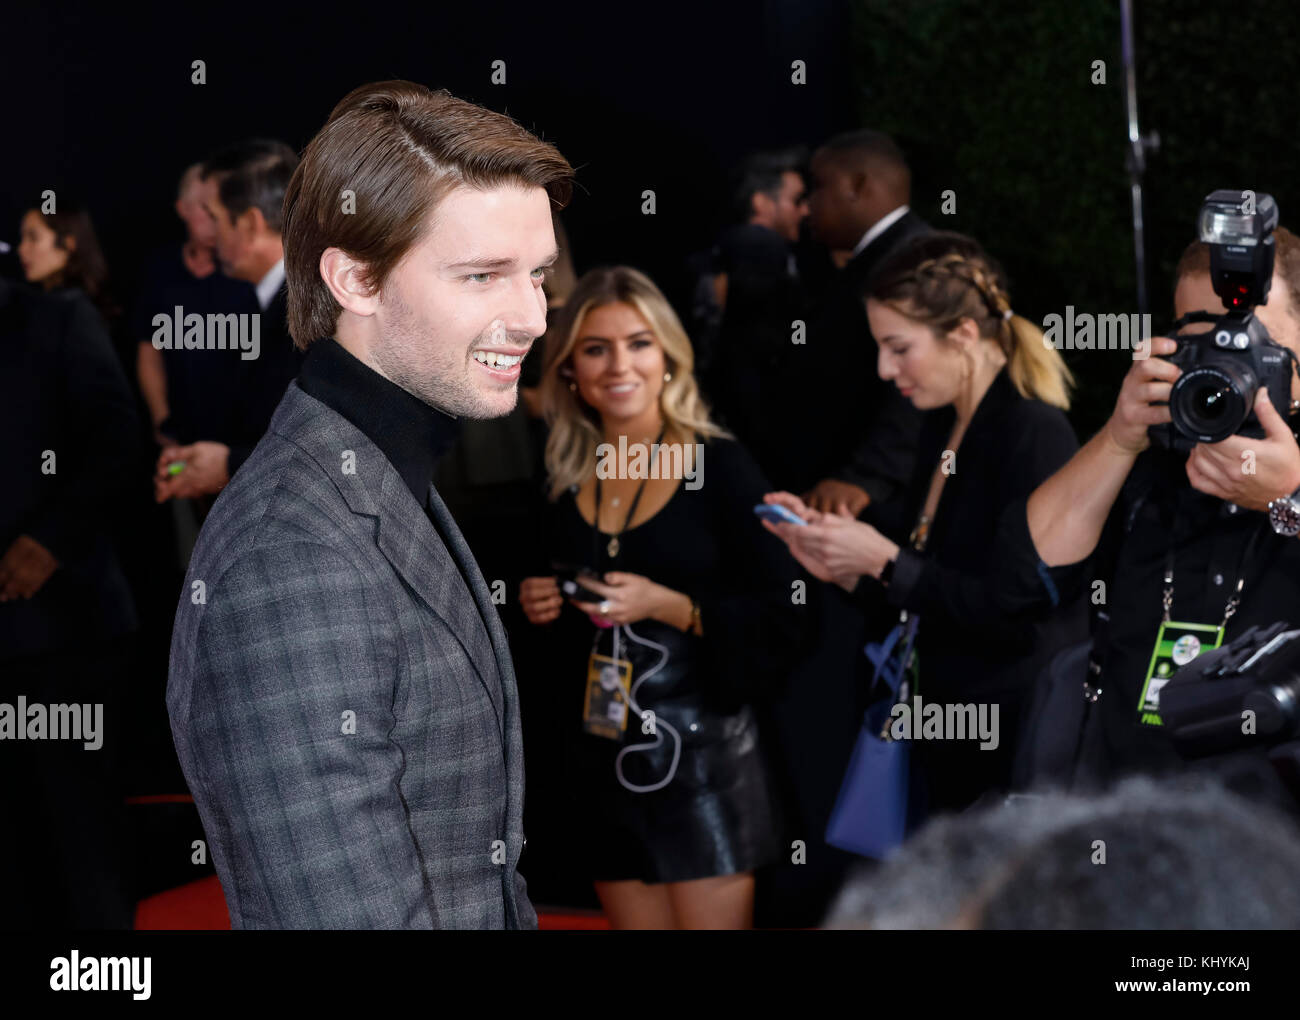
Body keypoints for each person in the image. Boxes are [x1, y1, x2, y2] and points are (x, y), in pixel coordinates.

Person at [165, 79, 574, 929]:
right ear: (355, 279)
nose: (533, 316)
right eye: (482, 276)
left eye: (535, 274)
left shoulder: (379, 474)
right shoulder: (293, 556)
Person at [518, 266, 805, 929]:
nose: (620, 364)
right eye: (596, 348)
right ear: (569, 370)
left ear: (670, 357)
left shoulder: (720, 465)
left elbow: (787, 612)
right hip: (602, 762)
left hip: (705, 760)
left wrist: (671, 605)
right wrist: (542, 599)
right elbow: (565, 625)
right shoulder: (563, 475)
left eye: (639, 343)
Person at [764, 232, 1086, 814]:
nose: (886, 371)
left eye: (899, 347)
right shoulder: (940, 424)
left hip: (1008, 744)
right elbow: (932, 590)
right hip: (944, 732)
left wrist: (881, 560)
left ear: (963, 335)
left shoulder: (1033, 433)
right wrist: (842, 563)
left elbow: (1012, 614)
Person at [1023, 226, 1300, 788]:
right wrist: (1119, 437)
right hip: (1131, 807)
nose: (1229, 366)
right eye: (1204, 340)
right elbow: (1033, 568)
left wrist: (1287, 500)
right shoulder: (1154, 453)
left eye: (1251, 340)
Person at [0, 273, 139, 928]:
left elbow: (116, 443)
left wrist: (48, 543)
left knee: (81, 851)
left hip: (62, 639)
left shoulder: (56, 318)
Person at [153, 139, 302, 504]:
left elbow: (322, 452)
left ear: (250, 224)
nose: (210, 234)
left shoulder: (314, 316)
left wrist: (228, 465)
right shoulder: (268, 305)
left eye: (216, 218)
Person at [792, 130, 930, 522]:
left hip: (878, 505)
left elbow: (924, 381)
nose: (806, 209)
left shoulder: (911, 260)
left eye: (816, 189)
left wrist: (866, 478)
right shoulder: (880, 257)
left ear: (856, 186)